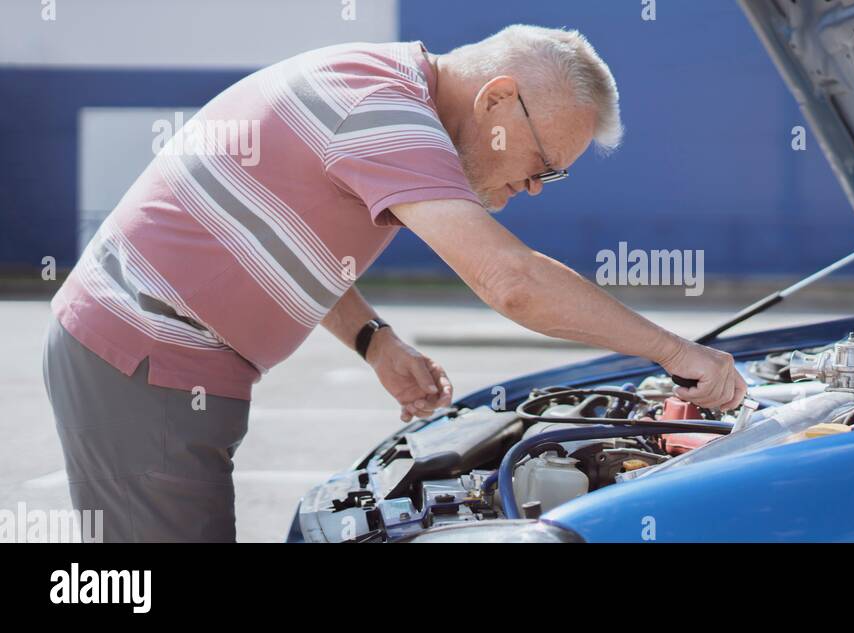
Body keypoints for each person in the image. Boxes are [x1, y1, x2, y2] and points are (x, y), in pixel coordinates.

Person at [44, 25, 747, 542]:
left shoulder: (386, 91)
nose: (535, 187)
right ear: (500, 98)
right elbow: (512, 280)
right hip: (144, 357)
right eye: (544, 163)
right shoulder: (385, 112)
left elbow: (279, 234)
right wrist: (676, 351)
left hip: (152, 358)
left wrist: (373, 340)